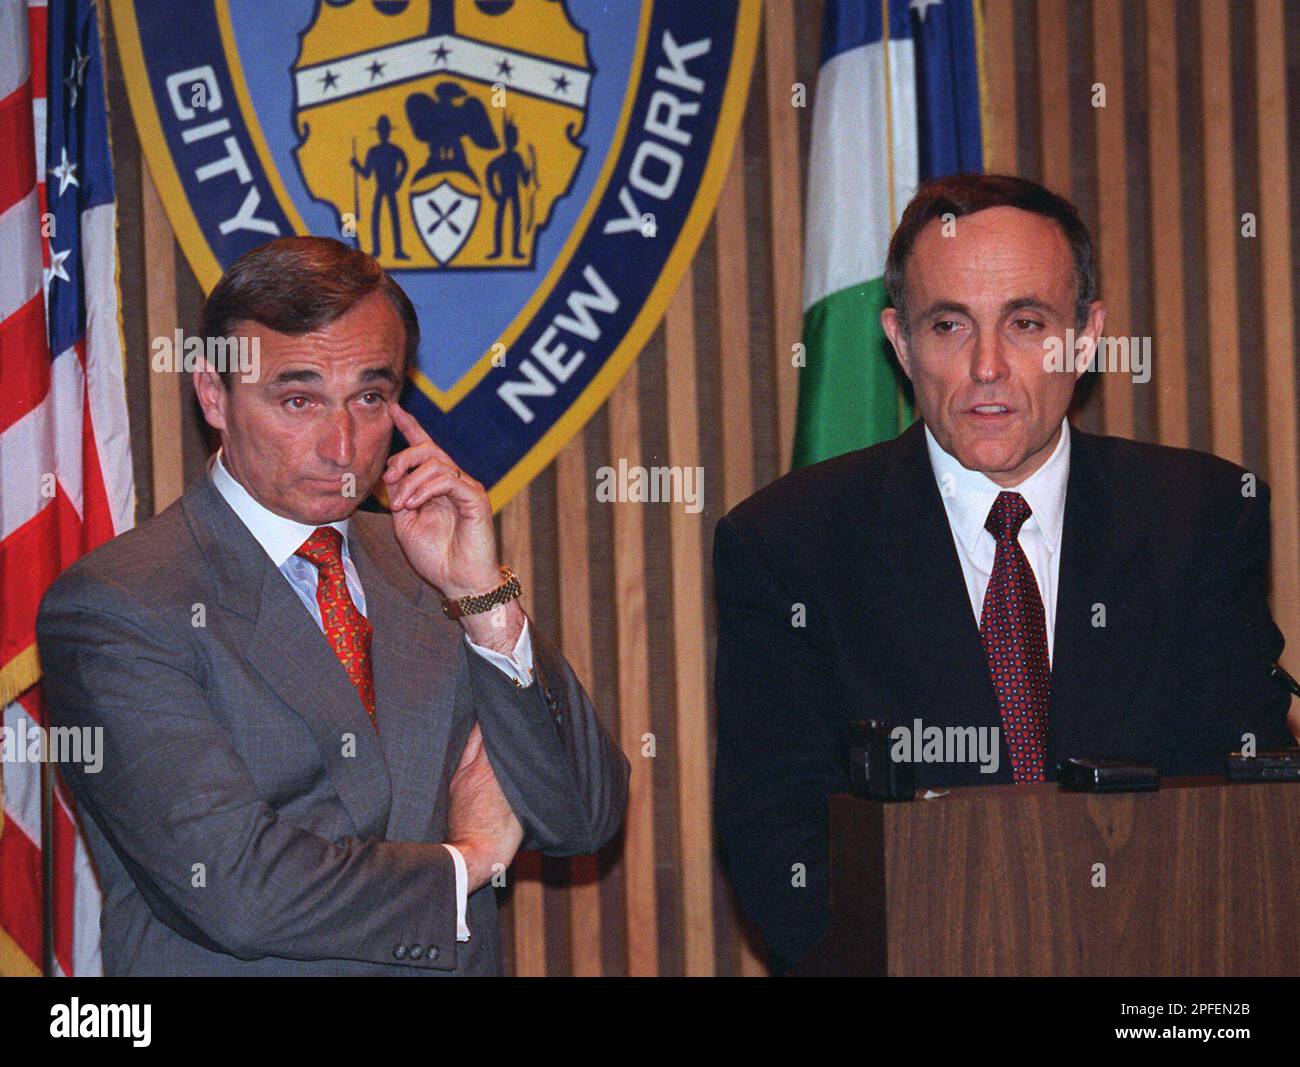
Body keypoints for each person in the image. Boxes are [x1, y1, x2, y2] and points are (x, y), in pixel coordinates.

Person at [712, 173, 1296, 973]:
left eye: (1026, 322)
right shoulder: (790, 544)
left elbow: (1247, 809)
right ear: (900, 341)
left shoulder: (1198, 519)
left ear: (1086, 337)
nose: (987, 365)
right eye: (949, 324)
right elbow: (779, 843)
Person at [38, 236, 629, 976]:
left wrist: (485, 603)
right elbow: (236, 889)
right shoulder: (119, 604)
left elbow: (582, 815)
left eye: (370, 397)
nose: (343, 445)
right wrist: (467, 861)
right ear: (213, 395)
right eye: (299, 398)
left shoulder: (428, 567)